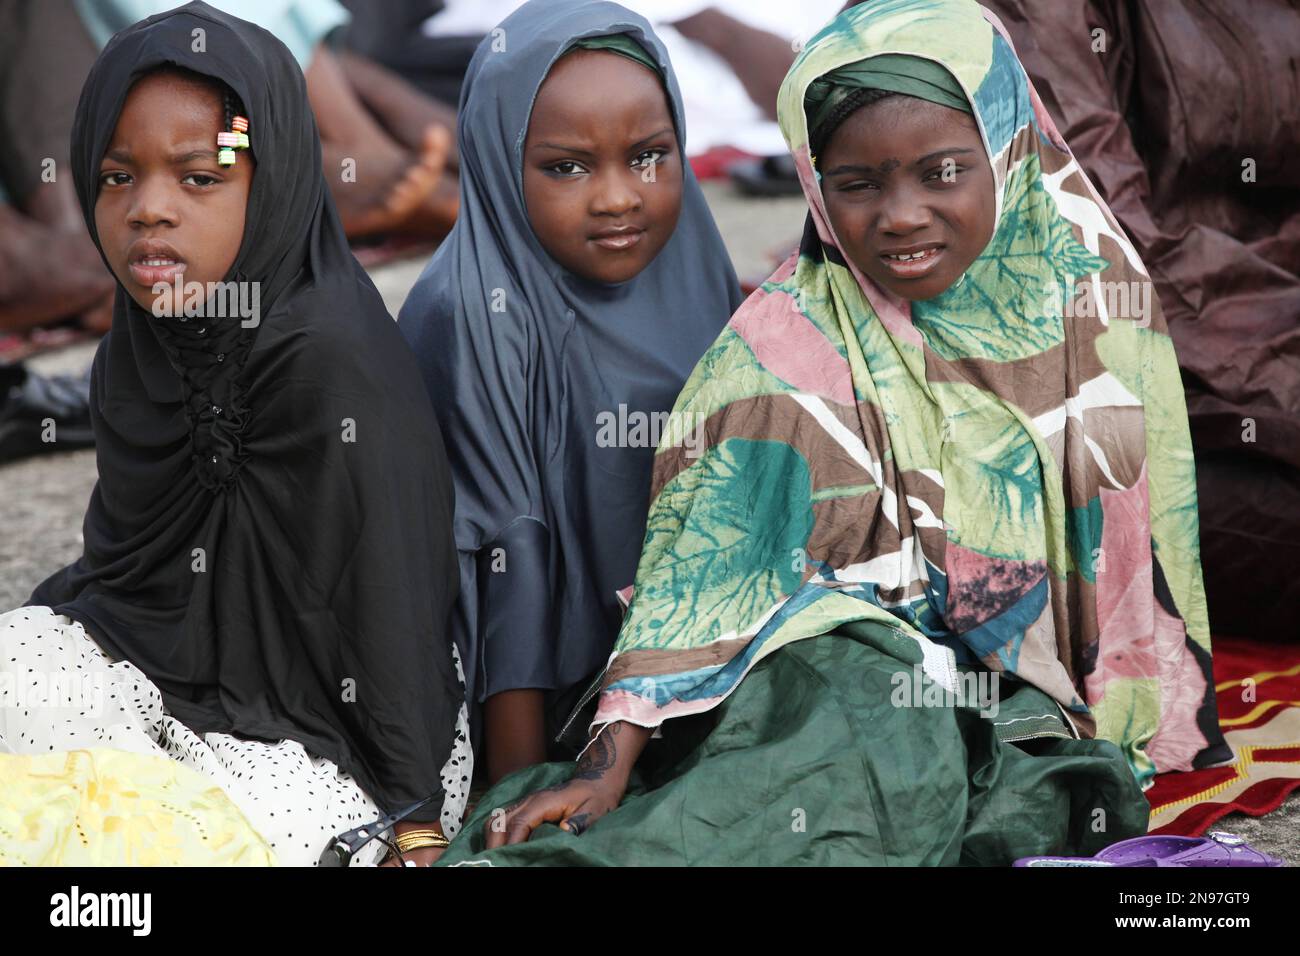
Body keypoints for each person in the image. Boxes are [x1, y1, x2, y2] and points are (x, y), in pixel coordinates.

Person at [435, 0, 1229, 866]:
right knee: (878, 748)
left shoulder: (1094, 300)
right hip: (826, 678)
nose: (901, 215)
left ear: (1008, 150)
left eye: (942, 173)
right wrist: (604, 763)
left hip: (1021, 697)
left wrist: (1104, 714)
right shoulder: (782, 350)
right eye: (857, 185)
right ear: (815, 183)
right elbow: (696, 580)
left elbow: (1139, 540)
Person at [0, 1, 470, 867]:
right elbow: (127, 579)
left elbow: (385, 612)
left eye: (200, 179)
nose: (149, 211)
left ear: (278, 180)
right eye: (115, 178)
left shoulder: (327, 357)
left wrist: (414, 819)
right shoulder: (138, 348)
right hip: (170, 672)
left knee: (152, 842)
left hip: (343, 734)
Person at [398, 0, 743, 785]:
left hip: (692, 662)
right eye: (567, 166)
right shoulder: (477, 310)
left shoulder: (693, 266)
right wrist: (516, 788)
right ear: (494, 160)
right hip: (541, 704)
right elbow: (502, 556)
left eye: (650, 156)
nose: (619, 196)